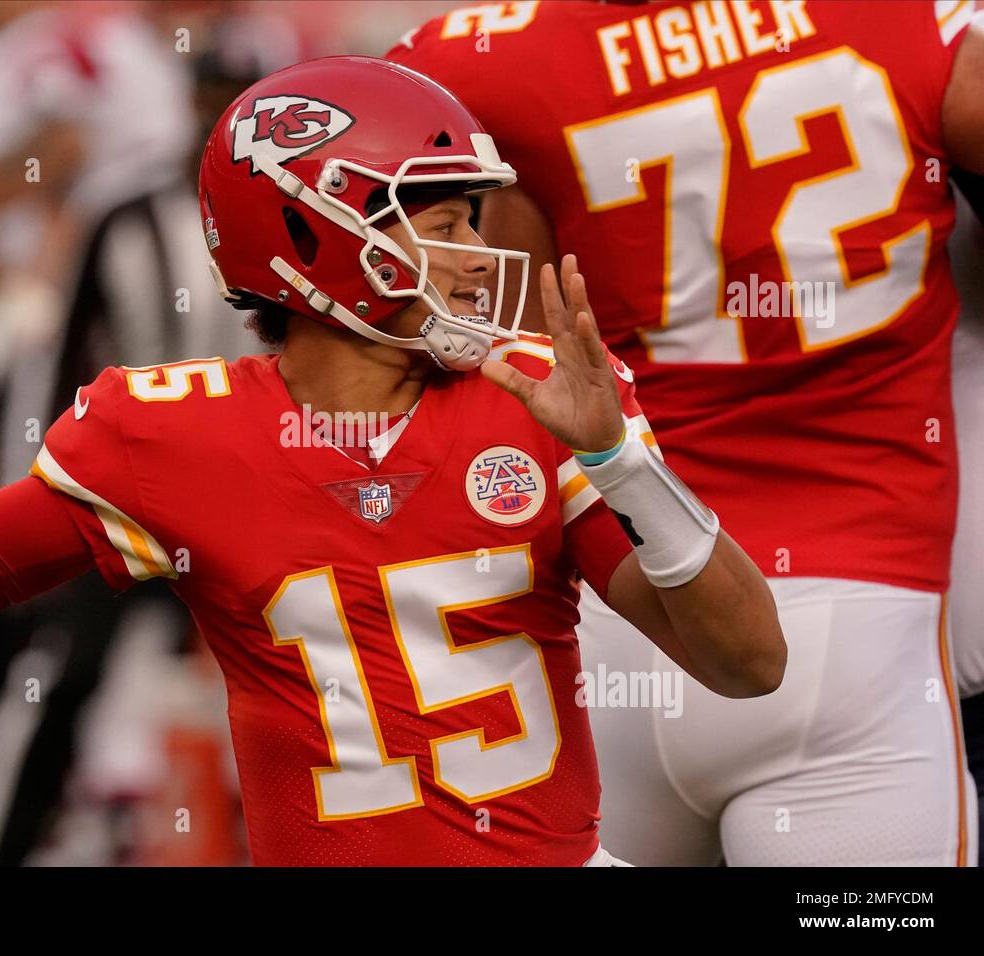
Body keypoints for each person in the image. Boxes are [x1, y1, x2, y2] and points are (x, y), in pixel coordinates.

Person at [0, 56, 783, 866]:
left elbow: (748, 661)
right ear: (311, 232)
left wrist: (617, 456)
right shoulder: (169, 433)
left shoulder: (535, 394)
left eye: (473, 222)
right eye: (442, 224)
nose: (479, 255)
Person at [387, 0, 983, 865]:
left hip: (609, 615)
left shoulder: (483, 57)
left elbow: (338, 221)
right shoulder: (909, 23)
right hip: (858, 634)